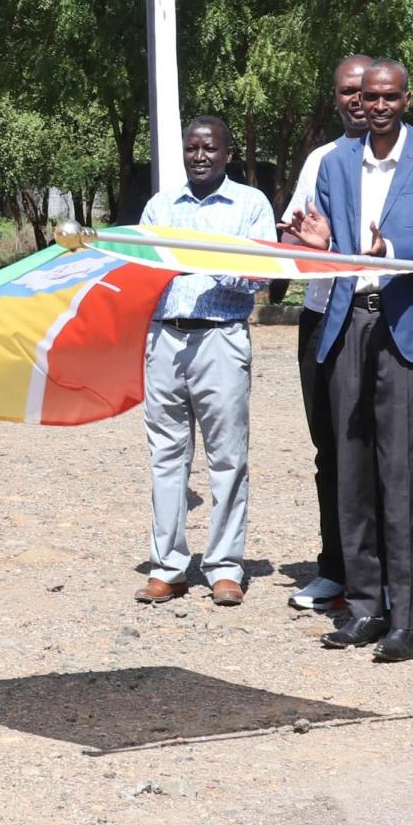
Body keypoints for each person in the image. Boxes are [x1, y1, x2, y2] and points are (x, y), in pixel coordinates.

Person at [288, 60, 413, 662]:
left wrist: (391, 247)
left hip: (407, 326)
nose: (378, 106)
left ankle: (407, 618)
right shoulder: (336, 163)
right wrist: (321, 247)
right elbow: (325, 246)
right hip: (346, 322)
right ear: (357, 101)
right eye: (369, 97)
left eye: (390, 96)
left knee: (403, 474)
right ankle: (364, 607)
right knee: (352, 468)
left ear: (407, 98)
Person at [133, 117, 278, 607]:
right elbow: (142, 267)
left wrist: (206, 260)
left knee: (227, 458)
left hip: (221, 341)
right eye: (192, 148)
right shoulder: (160, 206)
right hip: (165, 339)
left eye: (209, 148)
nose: (200, 156)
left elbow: (261, 276)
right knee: (166, 457)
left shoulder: (250, 205)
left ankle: (224, 567)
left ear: (227, 153)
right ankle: (168, 567)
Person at [279, 54, 372, 614]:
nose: (359, 100)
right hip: (323, 317)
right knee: (331, 450)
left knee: (381, 453)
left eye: (367, 89)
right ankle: (335, 569)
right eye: (347, 91)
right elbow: (297, 241)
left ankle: (384, 575)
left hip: (380, 318)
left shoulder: (412, 159)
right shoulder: (321, 159)